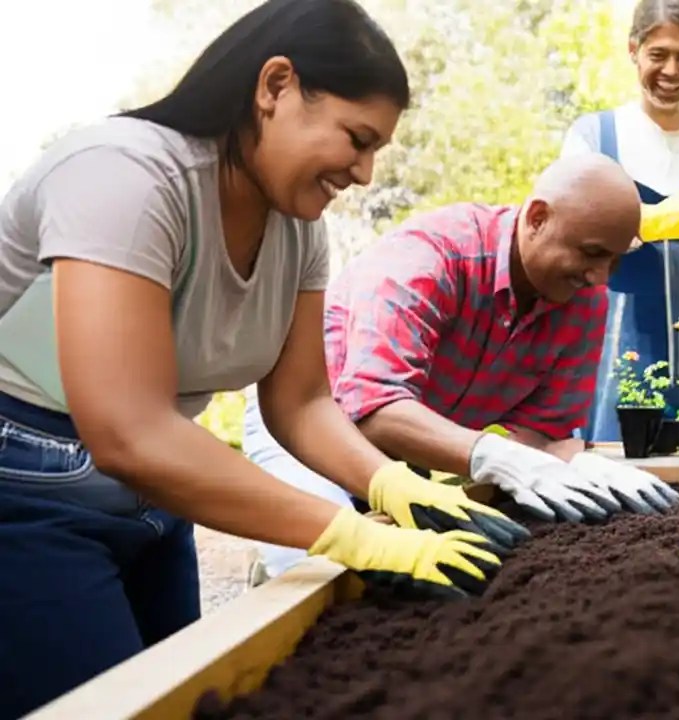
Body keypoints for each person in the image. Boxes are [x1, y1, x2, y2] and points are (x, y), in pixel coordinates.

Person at [0, 2, 526, 716]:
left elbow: (300, 401)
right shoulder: (123, 176)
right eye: (357, 138)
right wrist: (347, 535)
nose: (367, 173)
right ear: (275, 86)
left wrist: (391, 486)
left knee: (180, 700)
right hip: (26, 493)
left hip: (159, 493)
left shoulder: (297, 225)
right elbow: (126, 429)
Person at [245, 152, 679, 581]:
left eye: (614, 260)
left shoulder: (583, 303)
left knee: (417, 578)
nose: (600, 277)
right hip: (305, 426)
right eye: (590, 253)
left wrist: (573, 460)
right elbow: (375, 407)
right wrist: (492, 455)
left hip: (410, 451)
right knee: (322, 571)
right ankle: (271, 574)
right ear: (536, 219)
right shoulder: (431, 259)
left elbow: (541, 433)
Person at [561, 0, 679, 443]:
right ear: (634, 50)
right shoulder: (592, 140)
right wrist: (640, 223)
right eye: (658, 54)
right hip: (610, 338)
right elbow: (564, 237)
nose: (671, 70)